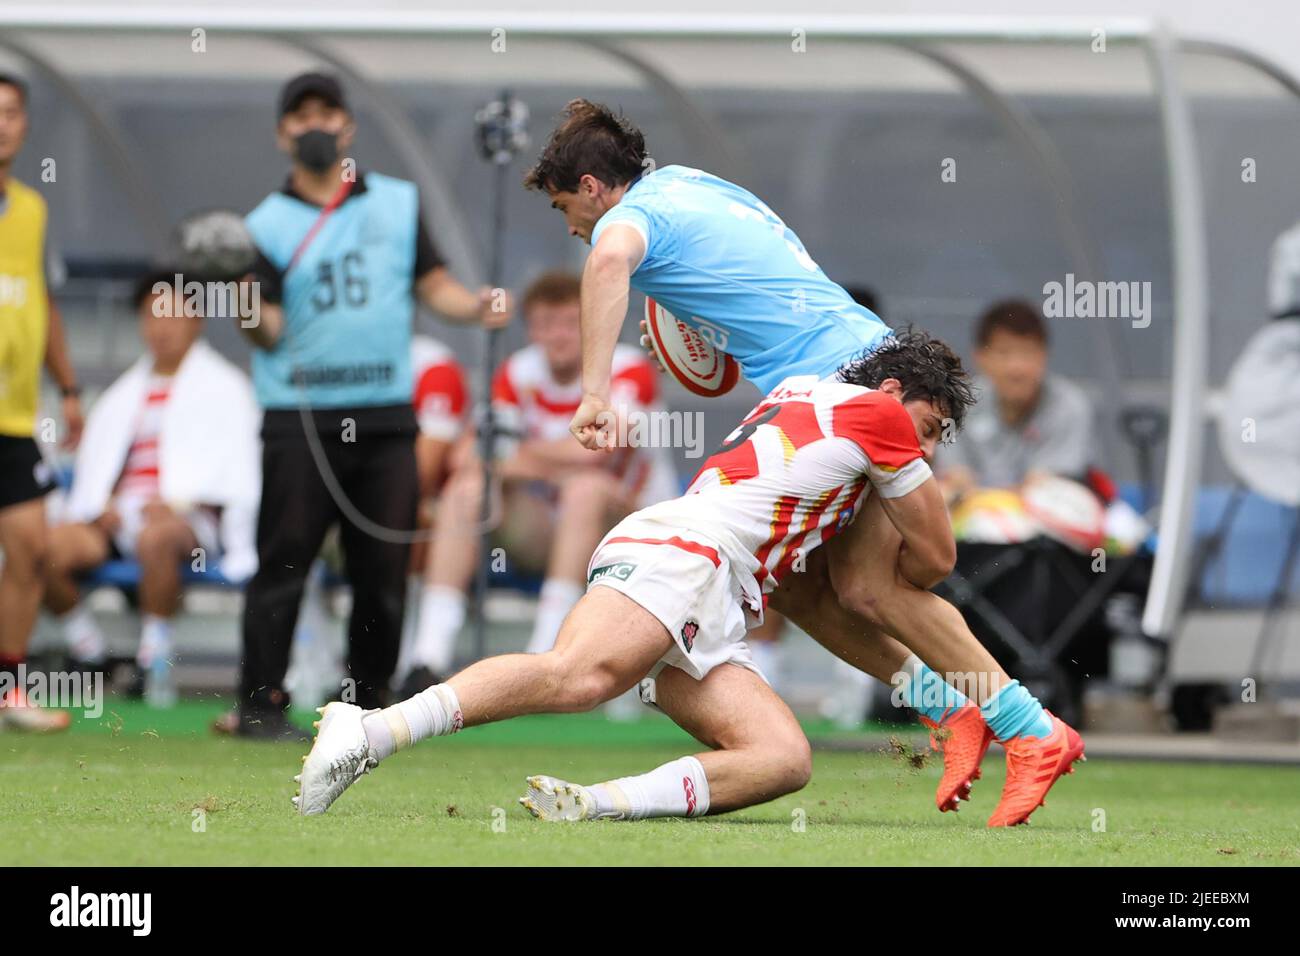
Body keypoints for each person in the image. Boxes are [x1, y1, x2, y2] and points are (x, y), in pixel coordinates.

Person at [525, 100, 1082, 820]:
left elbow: (606, 260)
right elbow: (723, 358)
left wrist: (596, 393)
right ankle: (950, 708)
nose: (571, 226)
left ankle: (1032, 731)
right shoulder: (695, 186)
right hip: (856, 371)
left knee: (875, 589)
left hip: (851, 385)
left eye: (569, 207)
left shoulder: (631, 223)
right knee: (804, 587)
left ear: (597, 186)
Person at [296, 331, 1083, 829]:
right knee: (578, 679)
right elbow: (938, 563)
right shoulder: (877, 419)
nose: (930, 448)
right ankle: (369, 731)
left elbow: (834, 589)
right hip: (686, 553)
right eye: (932, 427)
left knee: (782, 758)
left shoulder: (806, 394)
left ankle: (593, 805)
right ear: (891, 396)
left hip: (712, 582)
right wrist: (914, 498)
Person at [220, 72, 510, 738]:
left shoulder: (398, 206)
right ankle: (262, 706)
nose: (314, 125)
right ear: (281, 133)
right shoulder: (261, 225)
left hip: (383, 413)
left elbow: (434, 286)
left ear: (348, 127)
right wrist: (233, 290)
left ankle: (367, 707)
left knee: (381, 565)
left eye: (327, 112)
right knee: (286, 560)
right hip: (300, 417)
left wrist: (476, 307)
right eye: (300, 116)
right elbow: (264, 330)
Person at [403, 271, 676, 693]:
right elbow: (468, 453)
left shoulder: (628, 368)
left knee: (586, 488)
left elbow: (603, 448)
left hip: (633, 537)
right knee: (467, 487)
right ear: (530, 327)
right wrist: (531, 461)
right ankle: (427, 656)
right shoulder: (519, 371)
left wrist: (520, 456)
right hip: (551, 527)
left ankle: (548, 653)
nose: (558, 335)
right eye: (546, 324)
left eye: (570, 322)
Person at [45, 270, 261, 704]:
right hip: (119, 519)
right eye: (150, 315)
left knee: (157, 538)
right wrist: (98, 504)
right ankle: (90, 652)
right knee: (44, 548)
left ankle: (153, 660)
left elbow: (239, 470)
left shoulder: (227, 388)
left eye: (171, 313)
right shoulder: (122, 392)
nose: (160, 326)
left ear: (196, 318)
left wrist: (182, 501)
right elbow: (98, 468)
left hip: (187, 523)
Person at [0, 73, 83, 732]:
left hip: (16, 415)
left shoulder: (32, 208)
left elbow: (42, 302)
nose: (1, 123)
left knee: (30, 549)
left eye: (10, 113)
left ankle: (8, 687)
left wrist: (71, 387)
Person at [938, 299, 1096, 498]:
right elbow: (954, 477)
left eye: (1027, 352)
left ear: (1044, 356)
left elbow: (1046, 487)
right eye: (1004, 353)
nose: (1017, 368)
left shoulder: (1070, 406)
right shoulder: (957, 404)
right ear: (980, 357)